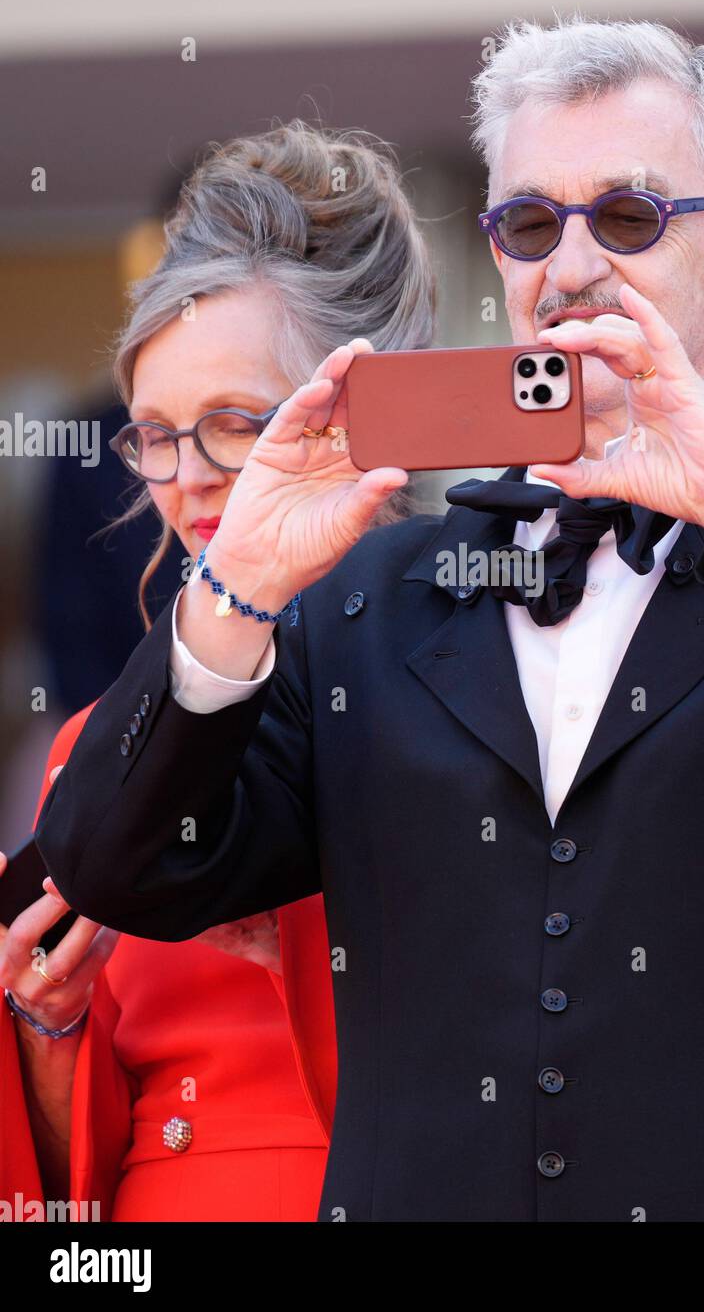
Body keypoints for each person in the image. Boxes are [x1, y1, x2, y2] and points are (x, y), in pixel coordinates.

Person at [34, 18, 704, 1223]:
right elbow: (123, 863)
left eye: (628, 216)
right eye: (531, 224)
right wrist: (238, 591)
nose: (572, 265)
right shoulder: (366, 604)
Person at [1, 120, 434, 1220]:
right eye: (155, 434)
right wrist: (51, 1034)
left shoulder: (472, 697)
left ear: (359, 409)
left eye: (236, 426)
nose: (186, 480)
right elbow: (70, 1178)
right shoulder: (93, 747)